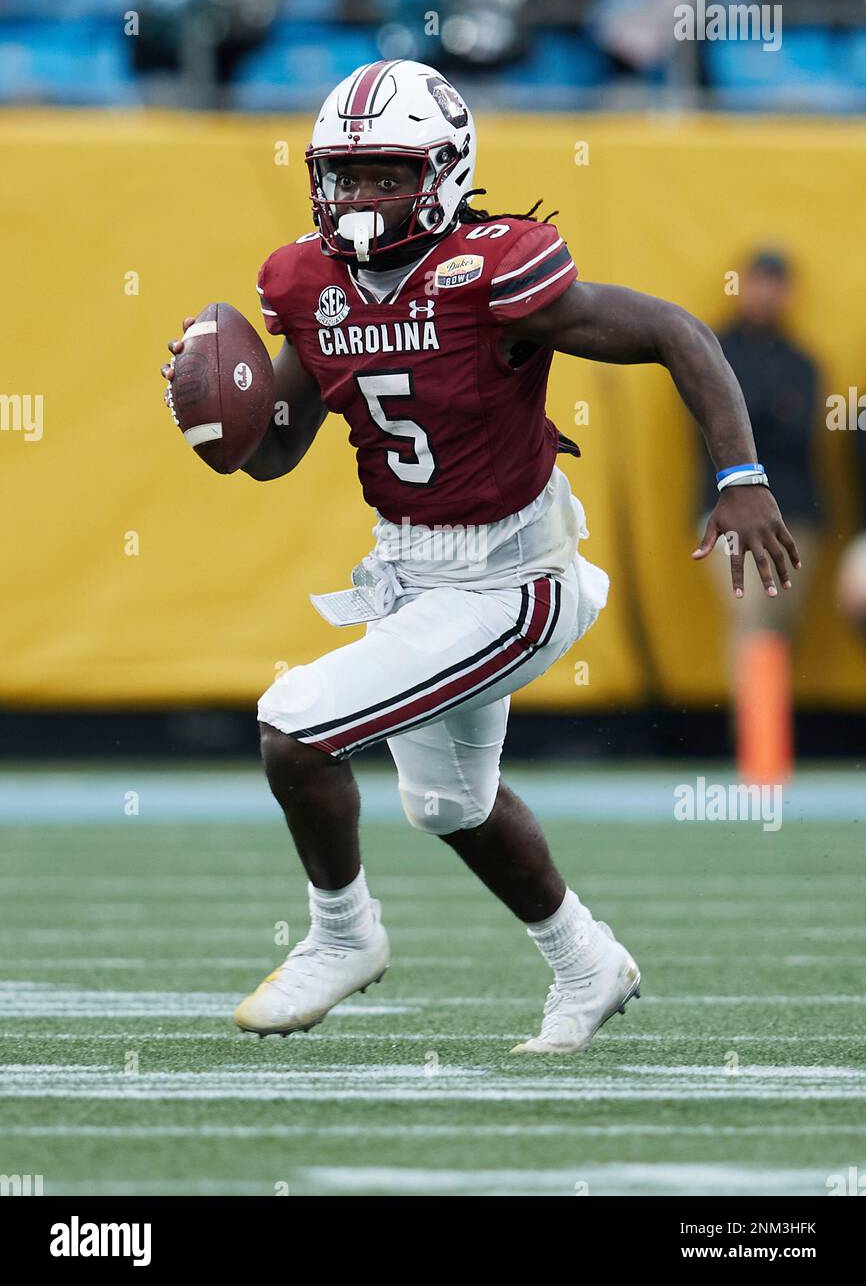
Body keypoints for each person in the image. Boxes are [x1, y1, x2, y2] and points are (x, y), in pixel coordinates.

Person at [161, 60, 799, 1054]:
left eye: (385, 176)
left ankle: (343, 936)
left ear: (446, 170)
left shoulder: (496, 269)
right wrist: (219, 413)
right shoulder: (307, 282)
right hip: (412, 572)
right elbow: (276, 452)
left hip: (515, 574)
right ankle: (587, 964)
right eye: (344, 175)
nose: (359, 199)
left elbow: (676, 331)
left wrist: (740, 476)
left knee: (292, 726)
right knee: (450, 803)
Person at [698, 249, 820, 662]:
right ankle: (755, 729)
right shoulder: (708, 350)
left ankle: (769, 726)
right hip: (730, 507)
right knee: (751, 617)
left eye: (776, 284)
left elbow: (795, 435)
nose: (766, 293)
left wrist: (745, 410)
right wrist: (766, 409)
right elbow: (707, 425)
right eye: (759, 281)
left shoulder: (801, 362)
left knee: (780, 626)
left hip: (791, 511)